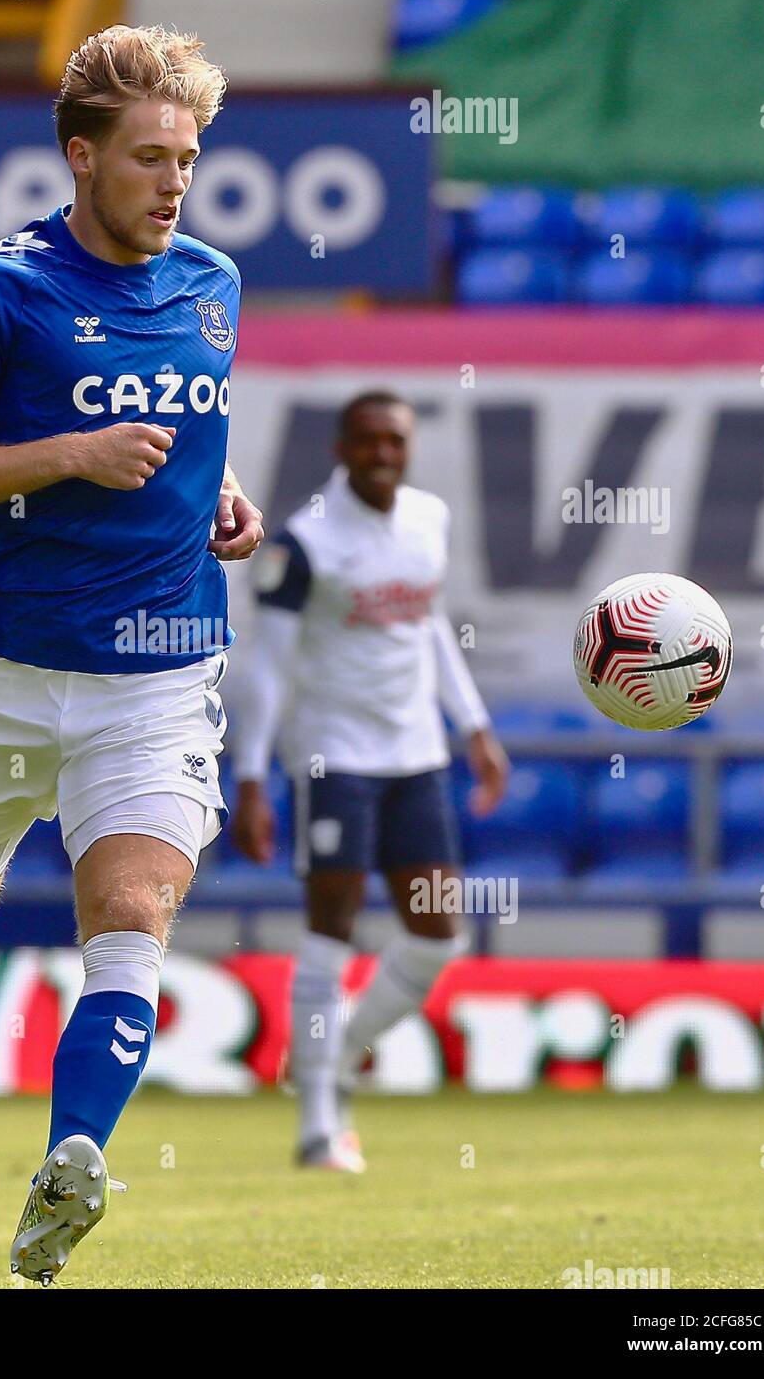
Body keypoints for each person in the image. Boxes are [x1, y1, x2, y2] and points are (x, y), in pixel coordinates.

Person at [0, 24, 263, 1284]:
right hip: (7, 671)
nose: (174, 183)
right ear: (81, 156)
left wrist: (219, 495)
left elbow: (180, 427)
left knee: (130, 918)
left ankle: (72, 1162)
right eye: (149, 158)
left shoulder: (213, 286)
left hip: (162, 673)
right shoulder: (0, 294)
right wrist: (69, 455)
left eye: (188, 158)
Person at [228, 391, 508, 1171]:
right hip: (333, 760)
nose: (383, 451)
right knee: (331, 931)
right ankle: (319, 1123)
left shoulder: (427, 519)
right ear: (341, 449)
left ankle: (335, 1056)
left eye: (395, 439)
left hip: (416, 758)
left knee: (437, 934)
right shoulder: (304, 545)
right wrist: (251, 780)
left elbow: (431, 628)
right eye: (368, 440)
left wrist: (474, 726)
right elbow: (268, 667)